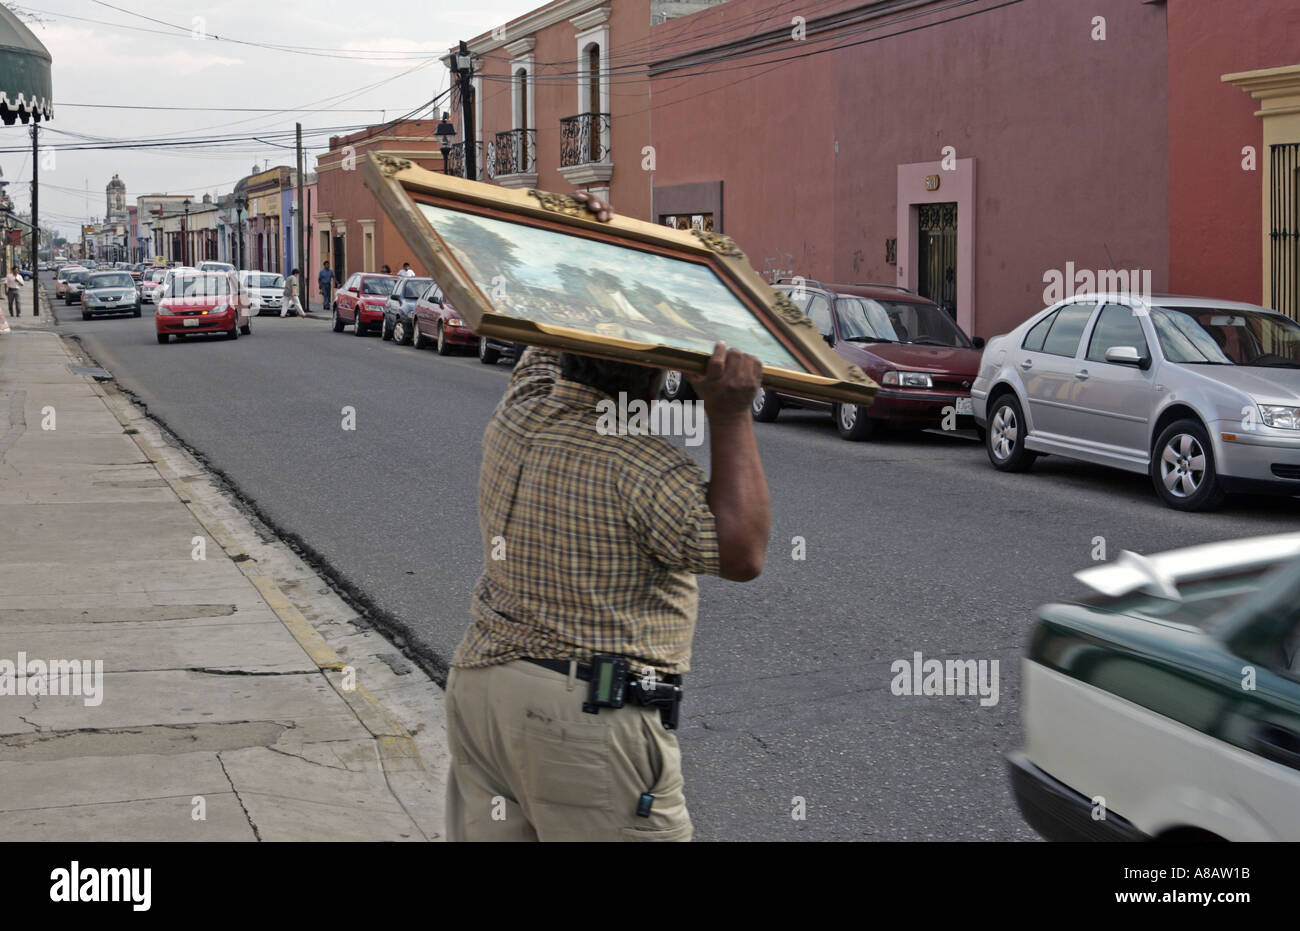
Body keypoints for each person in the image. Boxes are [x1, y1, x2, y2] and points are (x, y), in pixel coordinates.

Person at [444, 191, 770, 842]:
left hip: (481, 698)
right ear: (655, 376)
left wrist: (575, 247)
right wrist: (730, 412)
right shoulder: (644, 468)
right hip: (583, 720)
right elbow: (743, 550)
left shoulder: (521, 411)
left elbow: (542, 343)